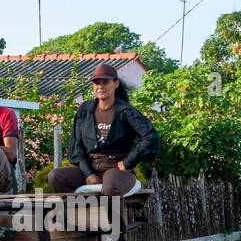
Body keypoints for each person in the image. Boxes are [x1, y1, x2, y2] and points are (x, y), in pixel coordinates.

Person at [48, 63, 160, 198]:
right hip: (90, 166)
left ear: (116, 84)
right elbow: (77, 148)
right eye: (96, 82)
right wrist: (88, 174)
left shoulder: (126, 111)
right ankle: (77, 216)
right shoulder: (85, 110)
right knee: (55, 176)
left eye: (105, 82)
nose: (100, 86)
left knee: (110, 188)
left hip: (116, 169)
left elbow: (151, 136)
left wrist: (128, 163)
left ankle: (113, 220)